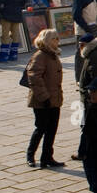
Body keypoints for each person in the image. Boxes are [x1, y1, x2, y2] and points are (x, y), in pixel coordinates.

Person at [25, 28, 65, 169]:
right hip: (42, 100)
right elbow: (34, 77)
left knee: (52, 129)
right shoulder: (40, 56)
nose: (57, 40)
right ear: (47, 40)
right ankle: (30, 154)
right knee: (41, 128)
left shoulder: (53, 55)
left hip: (54, 99)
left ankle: (47, 157)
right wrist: (44, 97)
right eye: (55, 38)